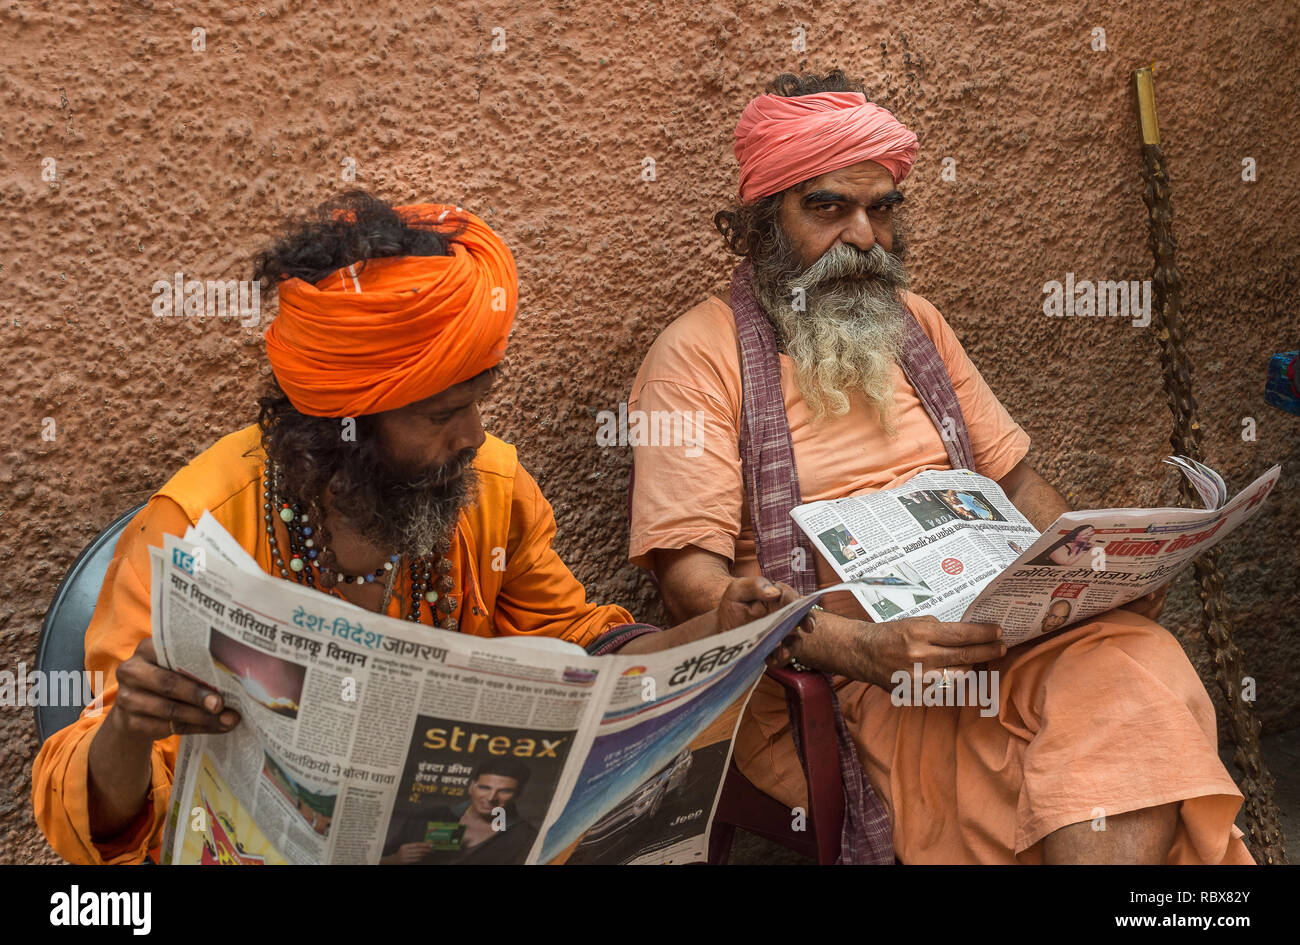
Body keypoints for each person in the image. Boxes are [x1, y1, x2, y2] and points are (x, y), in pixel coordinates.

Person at [32, 192, 807, 865]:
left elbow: (583, 647)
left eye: (479, 401)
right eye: (441, 414)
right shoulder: (194, 525)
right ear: (344, 426)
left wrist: (709, 633)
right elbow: (96, 824)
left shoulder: (491, 487)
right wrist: (131, 728)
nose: (472, 435)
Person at [626, 69, 1251, 863]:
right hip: (847, 684)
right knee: (1108, 727)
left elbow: (1018, 484)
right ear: (761, 223)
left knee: (1136, 665)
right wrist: (862, 650)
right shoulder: (696, 356)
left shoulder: (915, 323)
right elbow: (690, 586)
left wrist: (1097, 572)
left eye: (881, 209)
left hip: (990, 639)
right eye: (827, 207)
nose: (862, 237)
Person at [381, 756, 535, 865]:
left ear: (518, 794)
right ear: (472, 787)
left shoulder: (525, 836)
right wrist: (394, 860)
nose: (491, 797)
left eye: (504, 791)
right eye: (484, 787)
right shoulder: (431, 816)